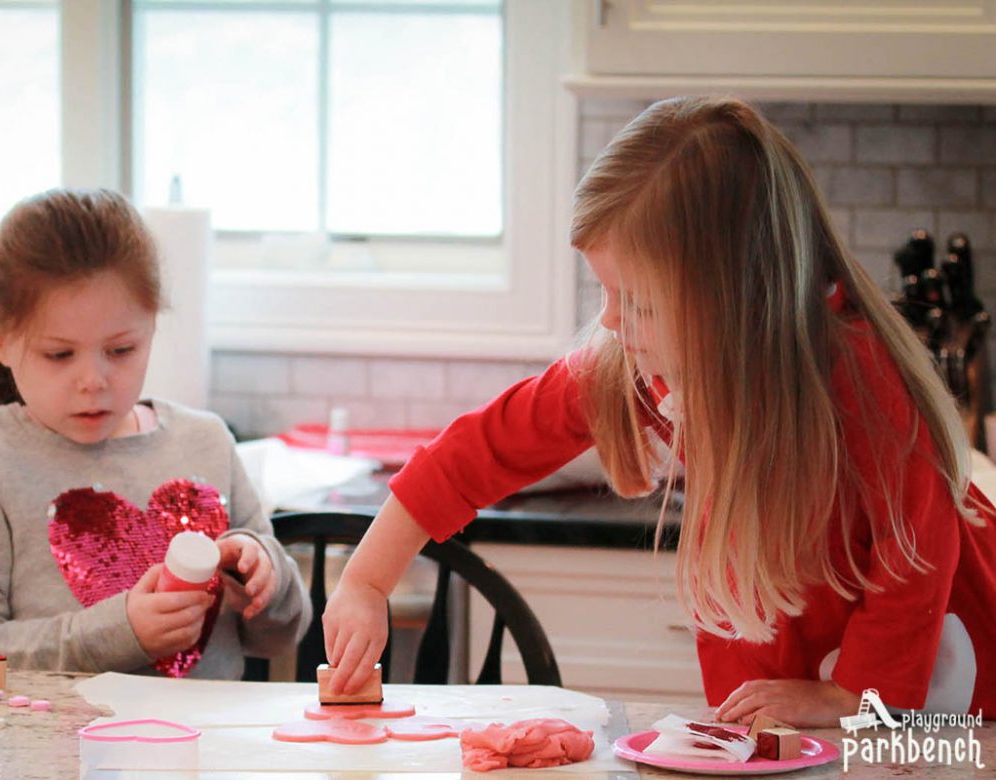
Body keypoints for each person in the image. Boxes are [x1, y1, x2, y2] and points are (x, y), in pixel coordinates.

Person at [322, 96, 996, 727]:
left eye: (638, 302)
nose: (612, 322)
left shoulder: (861, 377)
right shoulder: (648, 362)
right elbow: (480, 451)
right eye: (607, 292)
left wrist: (853, 695)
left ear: (734, 300)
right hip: (799, 665)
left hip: (947, 687)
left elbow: (916, 555)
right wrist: (366, 579)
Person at [0, 188, 311, 679]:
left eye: (122, 350)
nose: (94, 380)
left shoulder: (206, 441)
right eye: (60, 355)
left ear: (151, 327)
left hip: (202, 750)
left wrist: (266, 582)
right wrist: (119, 633)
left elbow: (277, 638)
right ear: (1, 339)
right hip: (52, 755)